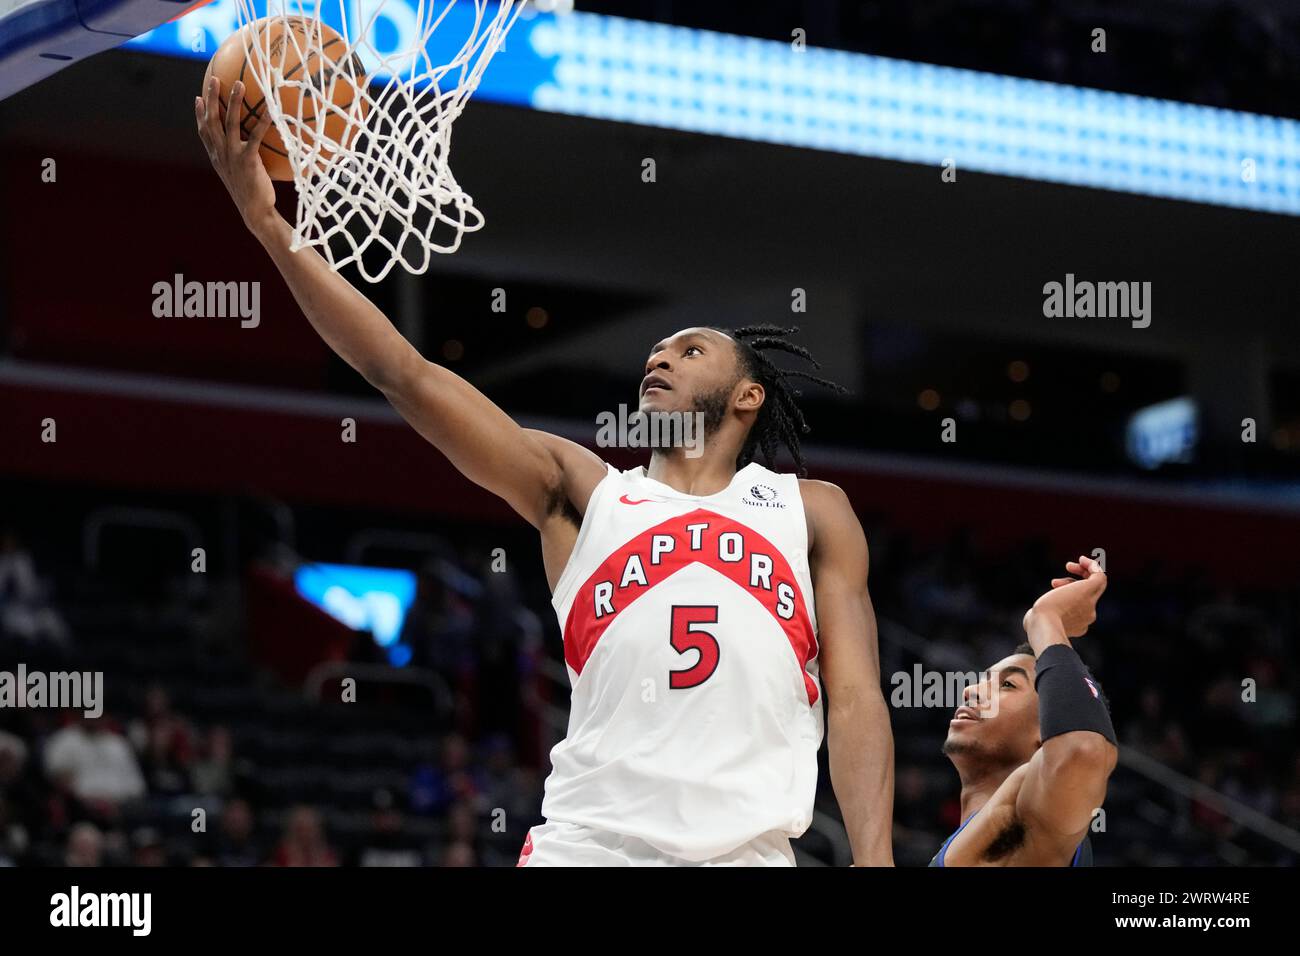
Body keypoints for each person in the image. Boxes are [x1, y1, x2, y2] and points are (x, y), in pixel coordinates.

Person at [195, 82, 895, 867]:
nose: (659, 357)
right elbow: (404, 373)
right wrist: (267, 224)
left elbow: (859, 697)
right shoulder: (585, 491)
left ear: (747, 395)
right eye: (654, 351)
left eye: (689, 350)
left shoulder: (812, 510)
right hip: (589, 849)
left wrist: (875, 861)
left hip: (749, 854)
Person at [931, 555, 1117, 866]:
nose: (971, 690)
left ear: (1046, 732)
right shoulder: (978, 836)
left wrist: (1045, 620)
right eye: (982, 680)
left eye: (1007, 686)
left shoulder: (1038, 818)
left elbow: (1082, 750)